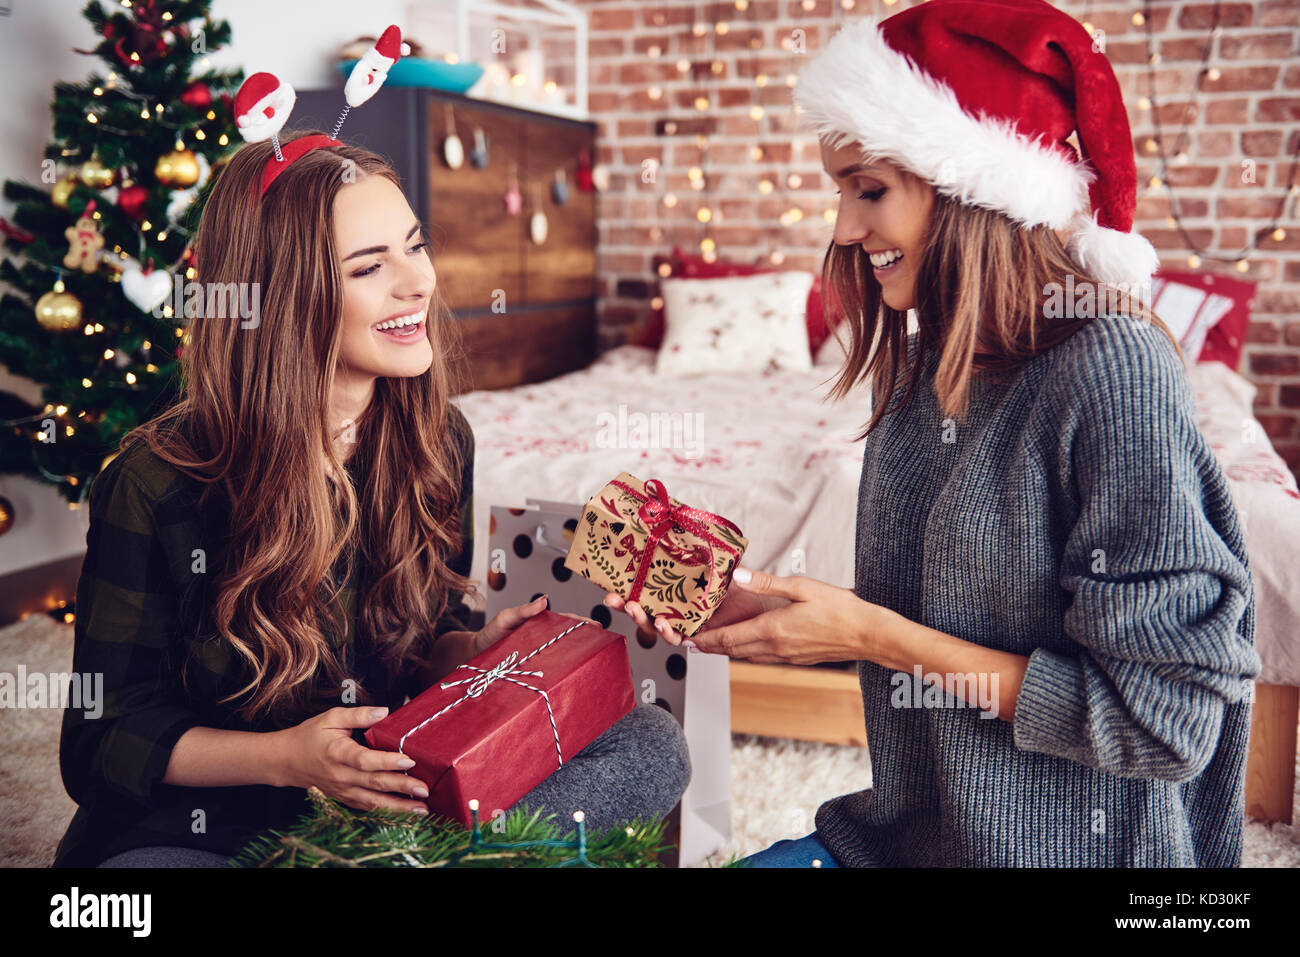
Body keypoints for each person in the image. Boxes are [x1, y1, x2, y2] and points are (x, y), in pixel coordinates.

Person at [608, 0, 1260, 868]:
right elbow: (950, 607)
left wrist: (868, 637)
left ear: (973, 191)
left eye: (868, 189)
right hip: (905, 839)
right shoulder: (923, 367)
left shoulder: (1114, 371)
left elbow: (1162, 723)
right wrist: (771, 617)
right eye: (840, 193)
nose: (843, 229)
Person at [54, 132, 689, 868]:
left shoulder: (439, 438)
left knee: (651, 745)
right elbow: (100, 742)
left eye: (414, 246)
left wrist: (468, 652)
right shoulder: (155, 480)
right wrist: (288, 758)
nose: (416, 282)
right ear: (283, 300)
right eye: (368, 266)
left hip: (392, 812)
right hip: (217, 827)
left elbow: (426, 638)